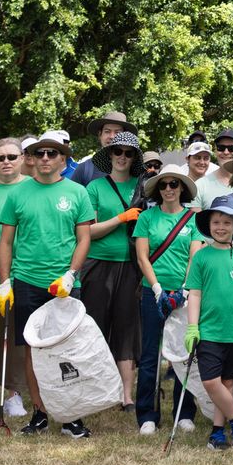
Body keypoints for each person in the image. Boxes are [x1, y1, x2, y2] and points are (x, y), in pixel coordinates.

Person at [0, 130, 95, 438]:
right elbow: (6, 242)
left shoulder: (77, 192)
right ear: (31, 159)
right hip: (27, 281)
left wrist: (71, 273)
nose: (45, 158)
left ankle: (70, 416)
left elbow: (84, 238)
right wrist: (4, 282)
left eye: (53, 153)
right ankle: (39, 412)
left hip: (63, 284)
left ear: (64, 159)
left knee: (68, 350)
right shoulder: (18, 194)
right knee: (33, 350)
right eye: (39, 153)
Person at [185, 201, 233, 449]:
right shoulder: (201, 256)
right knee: (211, 381)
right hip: (208, 331)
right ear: (208, 225)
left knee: (228, 382)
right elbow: (194, 293)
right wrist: (192, 327)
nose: (221, 227)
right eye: (216, 222)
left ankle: (218, 431)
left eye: (227, 222)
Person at [133, 162, 200, 436]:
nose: (169, 189)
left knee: (184, 353)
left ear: (182, 188)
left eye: (174, 184)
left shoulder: (193, 219)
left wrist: (185, 288)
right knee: (151, 353)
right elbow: (142, 257)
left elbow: (195, 255)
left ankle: (184, 412)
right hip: (153, 293)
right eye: (163, 184)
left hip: (184, 294)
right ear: (157, 189)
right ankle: (147, 415)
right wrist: (157, 288)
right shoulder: (147, 218)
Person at [80, 130, 144, 410]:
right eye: (117, 151)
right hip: (97, 264)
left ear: (134, 158)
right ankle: (94, 390)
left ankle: (126, 395)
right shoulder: (94, 187)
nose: (122, 157)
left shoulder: (142, 187)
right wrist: (121, 218)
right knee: (94, 327)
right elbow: (88, 231)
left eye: (128, 153)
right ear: (109, 154)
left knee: (126, 328)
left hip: (131, 265)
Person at [69, 110, 135, 186]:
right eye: (107, 131)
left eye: (117, 132)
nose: (112, 136)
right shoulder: (85, 169)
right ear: (100, 135)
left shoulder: (135, 169)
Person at [184, 138, 226, 208]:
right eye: (197, 158)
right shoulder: (178, 186)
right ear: (187, 159)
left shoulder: (215, 185)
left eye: (206, 158)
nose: (202, 162)